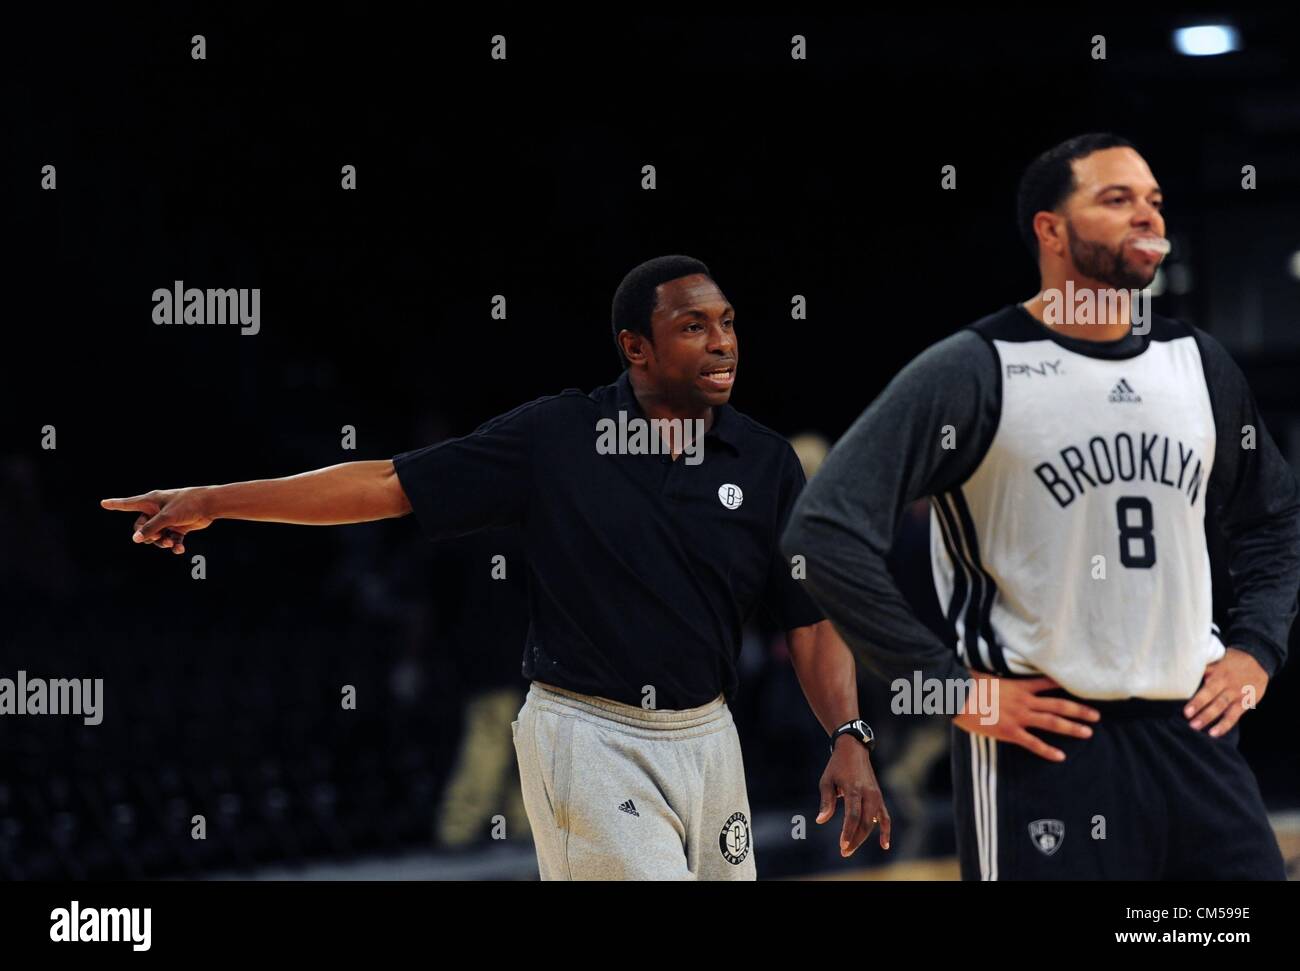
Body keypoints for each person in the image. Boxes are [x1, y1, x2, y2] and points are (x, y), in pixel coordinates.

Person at [102, 255, 891, 880]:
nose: (722, 341)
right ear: (636, 349)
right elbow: (386, 483)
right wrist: (215, 496)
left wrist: (849, 734)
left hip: (710, 737)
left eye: (726, 322)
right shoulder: (555, 437)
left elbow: (810, 616)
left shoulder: (765, 460)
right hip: (591, 737)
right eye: (693, 326)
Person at [782, 134, 1300, 880]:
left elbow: (1274, 517)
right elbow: (823, 534)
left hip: (1195, 733)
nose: (1147, 216)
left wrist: (1257, 648)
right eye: (1116, 199)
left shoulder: (1198, 362)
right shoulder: (975, 368)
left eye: (1153, 200)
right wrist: (947, 685)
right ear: (1050, 230)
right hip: (1044, 745)